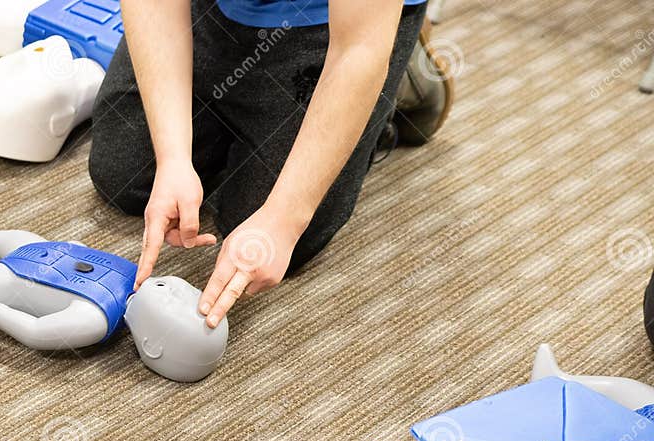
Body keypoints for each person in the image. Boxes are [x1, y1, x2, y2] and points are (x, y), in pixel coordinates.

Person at [88, 0, 454, 328]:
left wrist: (284, 219)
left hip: (336, 24)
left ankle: (397, 73)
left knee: (268, 239)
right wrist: (174, 158)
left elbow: (357, 51)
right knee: (126, 174)